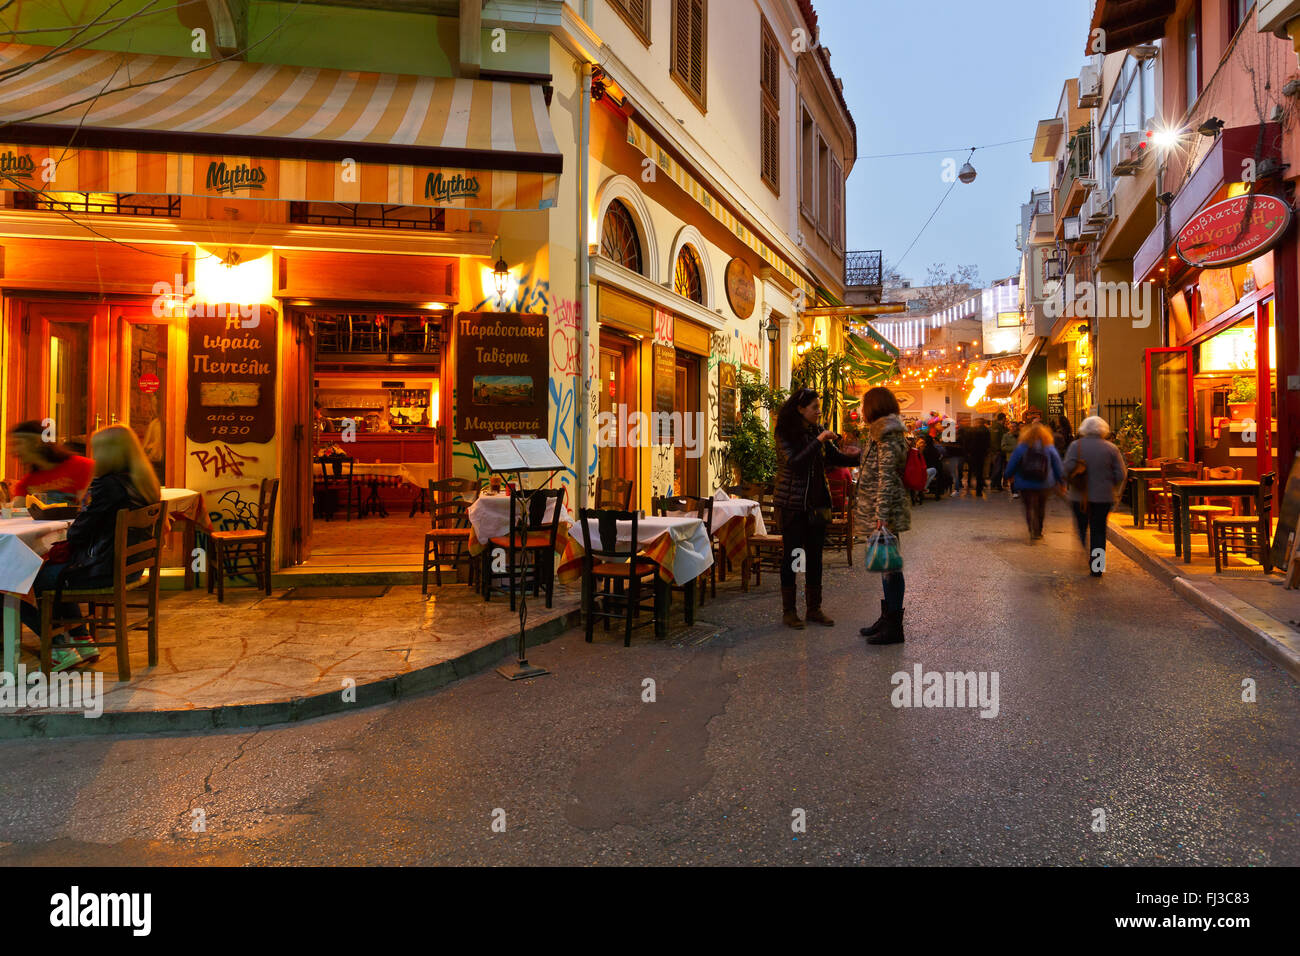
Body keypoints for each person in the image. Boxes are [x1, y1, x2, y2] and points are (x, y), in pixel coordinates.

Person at [19, 424, 162, 672]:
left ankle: (58, 648)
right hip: (129, 568)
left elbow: (77, 533)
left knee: (22, 578)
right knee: (55, 572)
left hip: (103, 569)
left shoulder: (107, 486)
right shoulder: (143, 483)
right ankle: (82, 639)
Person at [773, 388, 860, 629]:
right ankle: (789, 611)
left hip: (817, 504)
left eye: (819, 407)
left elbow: (835, 458)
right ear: (801, 409)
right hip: (792, 504)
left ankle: (814, 609)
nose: (819, 412)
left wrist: (862, 456)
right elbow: (795, 463)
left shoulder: (817, 430)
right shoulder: (784, 432)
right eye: (815, 408)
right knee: (792, 557)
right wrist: (819, 440)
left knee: (815, 557)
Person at [855, 387, 910, 645]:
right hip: (881, 509)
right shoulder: (880, 432)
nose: (861, 410)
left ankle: (894, 627)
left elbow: (886, 476)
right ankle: (887, 618)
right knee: (886, 566)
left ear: (873, 407)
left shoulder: (886, 434)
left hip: (884, 511)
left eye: (864, 405)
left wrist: (881, 516)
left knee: (890, 566)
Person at [1063, 415, 1127, 577]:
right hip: (1103, 497)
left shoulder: (1075, 446)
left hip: (1080, 497)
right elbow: (1121, 474)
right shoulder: (1111, 448)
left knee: (1082, 527)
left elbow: (1066, 469)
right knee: (1099, 531)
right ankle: (1097, 566)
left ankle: (1086, 551)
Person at [0, 421, 94, 507]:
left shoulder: (84, 466)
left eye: (18, 443)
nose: (13, 451)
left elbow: (88, 508)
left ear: (37, 442)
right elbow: (16, 508)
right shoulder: (26, 484)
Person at [1004, 421, 1063, 541]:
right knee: (1041, 506)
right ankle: (1038, 531)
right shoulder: (1049, 447)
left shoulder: (1021, 447)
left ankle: (1030, 526)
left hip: (1024, 482)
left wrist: (1007, 476)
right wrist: (1061, 481)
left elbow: (1012, 463)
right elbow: (1057, 465)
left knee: (1028, 506)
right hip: (1044, 482)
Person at [962, 417, 992, 497]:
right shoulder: (986, 431)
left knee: (971, 470)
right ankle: (979, 490)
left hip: (972, 454)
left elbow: (966, 442)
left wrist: (967, 452)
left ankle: (969, 484)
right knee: (979, 471)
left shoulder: (971, 431)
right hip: (981, 454)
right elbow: (988, 443)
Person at [940, 419, 965, 497]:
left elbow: (959, 446)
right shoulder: (948, 434)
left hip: (954, 457)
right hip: (950, 456)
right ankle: (952, 489)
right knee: (952, 474)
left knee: (954, 474)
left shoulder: (956, 436)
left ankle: (956, 490)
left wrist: (946, 444)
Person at [1001, 422, 1021, 498]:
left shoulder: (1021, 435)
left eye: (1014, 426)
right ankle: (1014, 491)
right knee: (1012, 476)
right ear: (1009, 427)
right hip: (1010, 458)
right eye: (1011, 427)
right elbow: (1003, 447)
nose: (1013, 428)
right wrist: (1014, 448)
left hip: (1021, 458)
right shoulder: (1006, 436)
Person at [990, 413, 1009, 492]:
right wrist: (997, 450)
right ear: (1003, 418)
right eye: (1005, 418)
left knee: (1000, 469)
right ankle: (994, 486)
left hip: (1001, 451)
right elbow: (995, 440)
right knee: (997, 469)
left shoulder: (1001, 427)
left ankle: (998, 485)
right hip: (998, 451)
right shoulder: (996, 427)